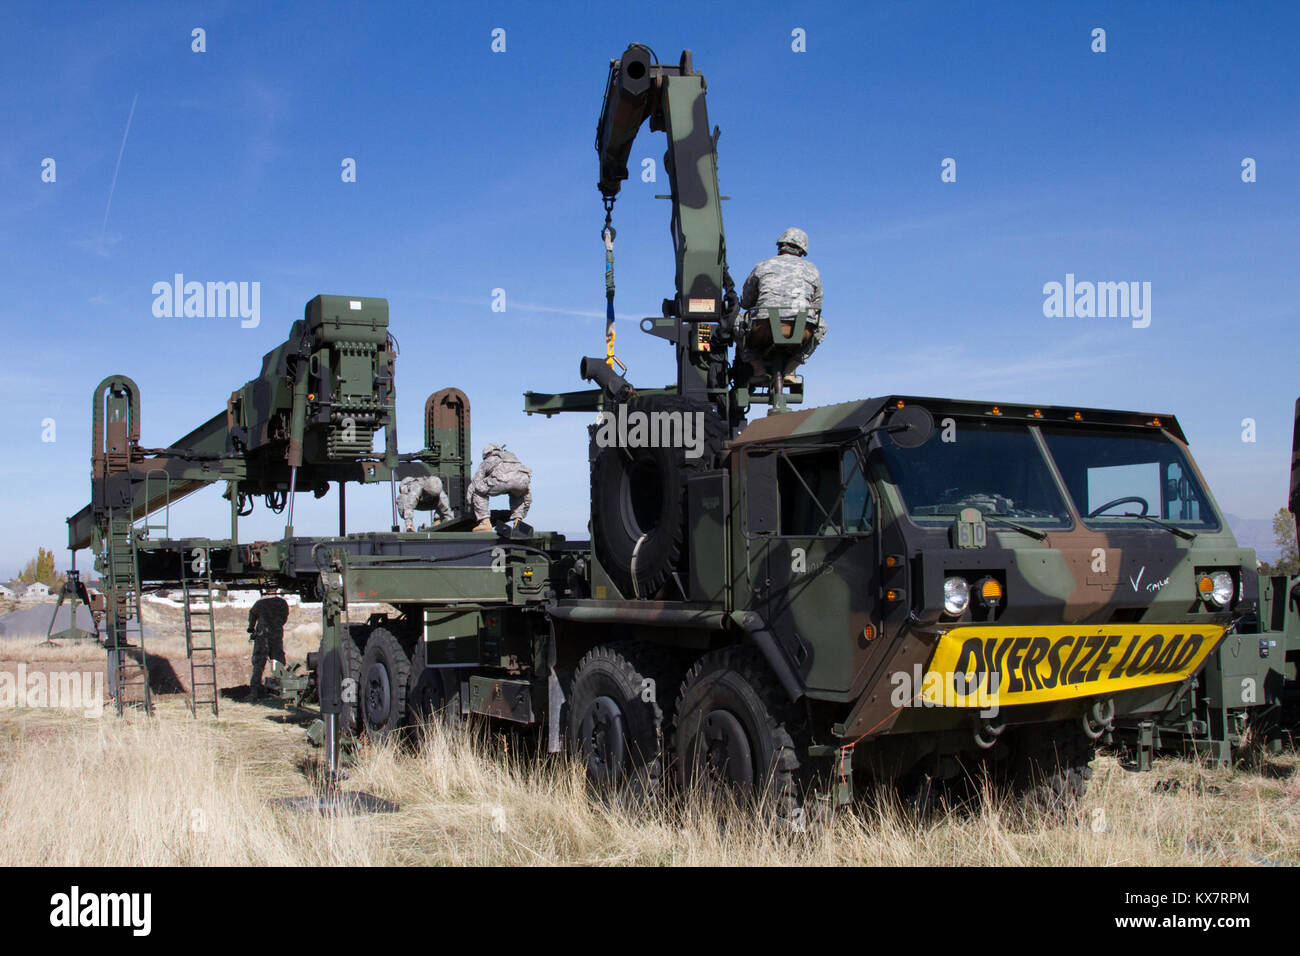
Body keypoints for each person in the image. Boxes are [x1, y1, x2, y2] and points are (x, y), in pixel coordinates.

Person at [737, 227, 825, 384]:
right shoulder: (812, 270)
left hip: (762, 328)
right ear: (802, 250)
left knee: (737, 321)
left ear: (780, 247)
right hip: (802, 329)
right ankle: (791, 370)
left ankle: (758, 369)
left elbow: (745, 302)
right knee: (822, 326)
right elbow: (817, 305)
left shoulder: (762, 266)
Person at [468, 443, 532, 532]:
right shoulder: (513, 459)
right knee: (518, 494)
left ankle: (485, 523)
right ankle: (517, 523)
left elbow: (474, 484)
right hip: (523, 480)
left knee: (478, 490)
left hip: (502, 479)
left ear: (487, 454)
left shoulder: (488, 460)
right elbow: (527, 496)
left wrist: (471, 506)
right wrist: (522, 513)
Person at [247, 595, 290, 701]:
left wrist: (251, 628)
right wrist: (277, 625)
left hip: (262, 637)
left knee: (258, 665)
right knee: (278, 663)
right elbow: (284, 617)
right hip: (276, 635)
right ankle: (281, 691)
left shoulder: (260, 603)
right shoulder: (282, 603)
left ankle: (254, 692)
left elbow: (252, 615)